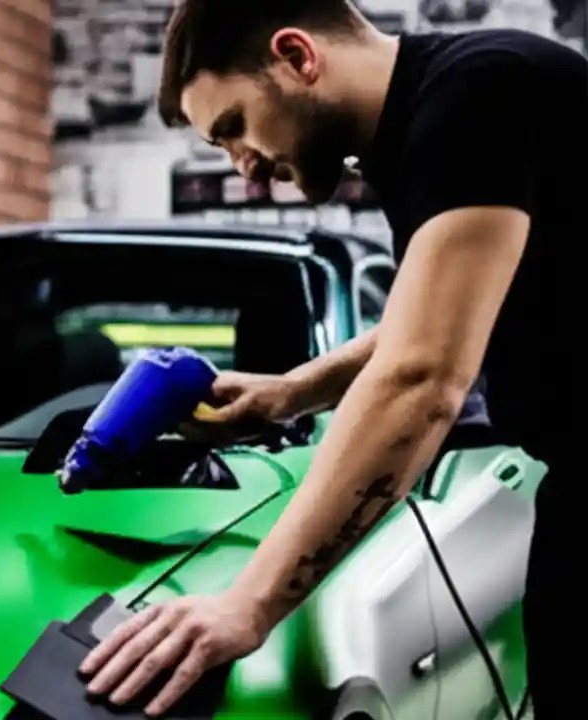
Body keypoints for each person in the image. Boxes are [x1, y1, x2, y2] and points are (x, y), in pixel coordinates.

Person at [75, 1, 585, 716]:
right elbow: (444, 311)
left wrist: (247, 605)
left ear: (297, 57)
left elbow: (422, 376)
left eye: (232, 129)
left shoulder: (479, 94)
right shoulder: (442, 112)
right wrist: (291, 392)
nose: (245, 171)